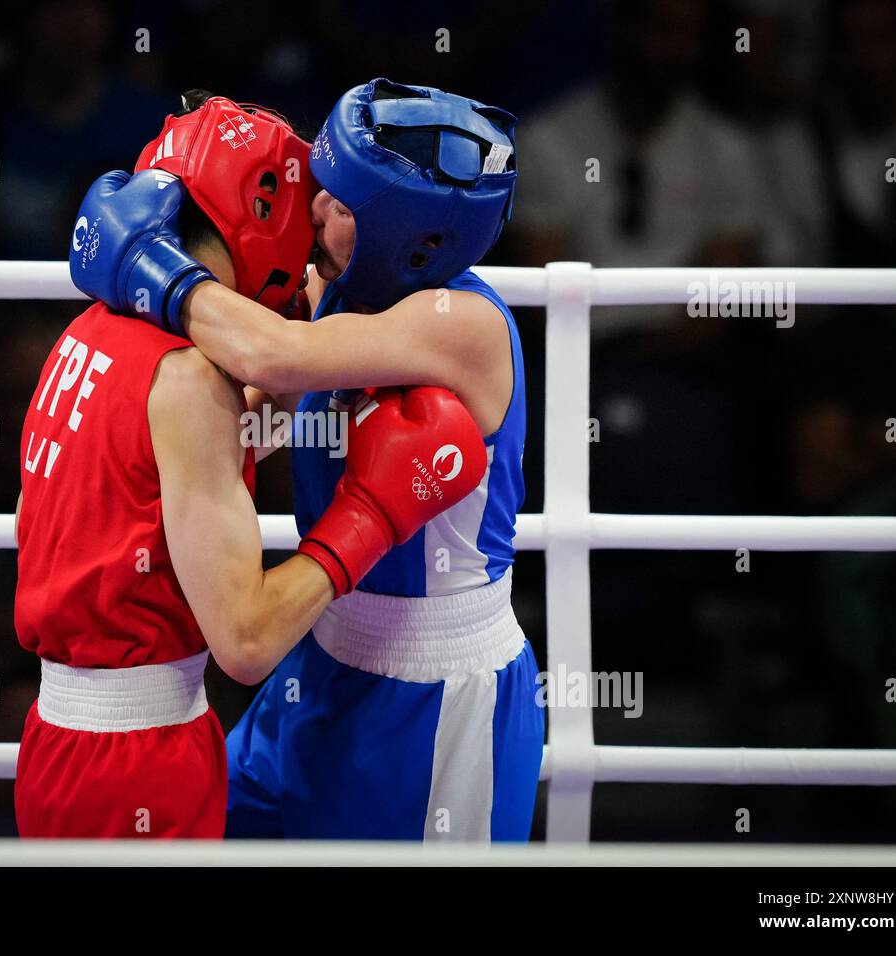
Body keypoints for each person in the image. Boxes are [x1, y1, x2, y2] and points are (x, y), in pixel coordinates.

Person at [74, 79, 544, 841]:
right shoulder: (335, 290)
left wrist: (143, 261)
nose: (313, 214)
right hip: (319, 653)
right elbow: (259, 398)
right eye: (322, 189)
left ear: (414, 238)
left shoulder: (465, 324)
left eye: (343, 207)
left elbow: (271, 354)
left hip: (435, 690)